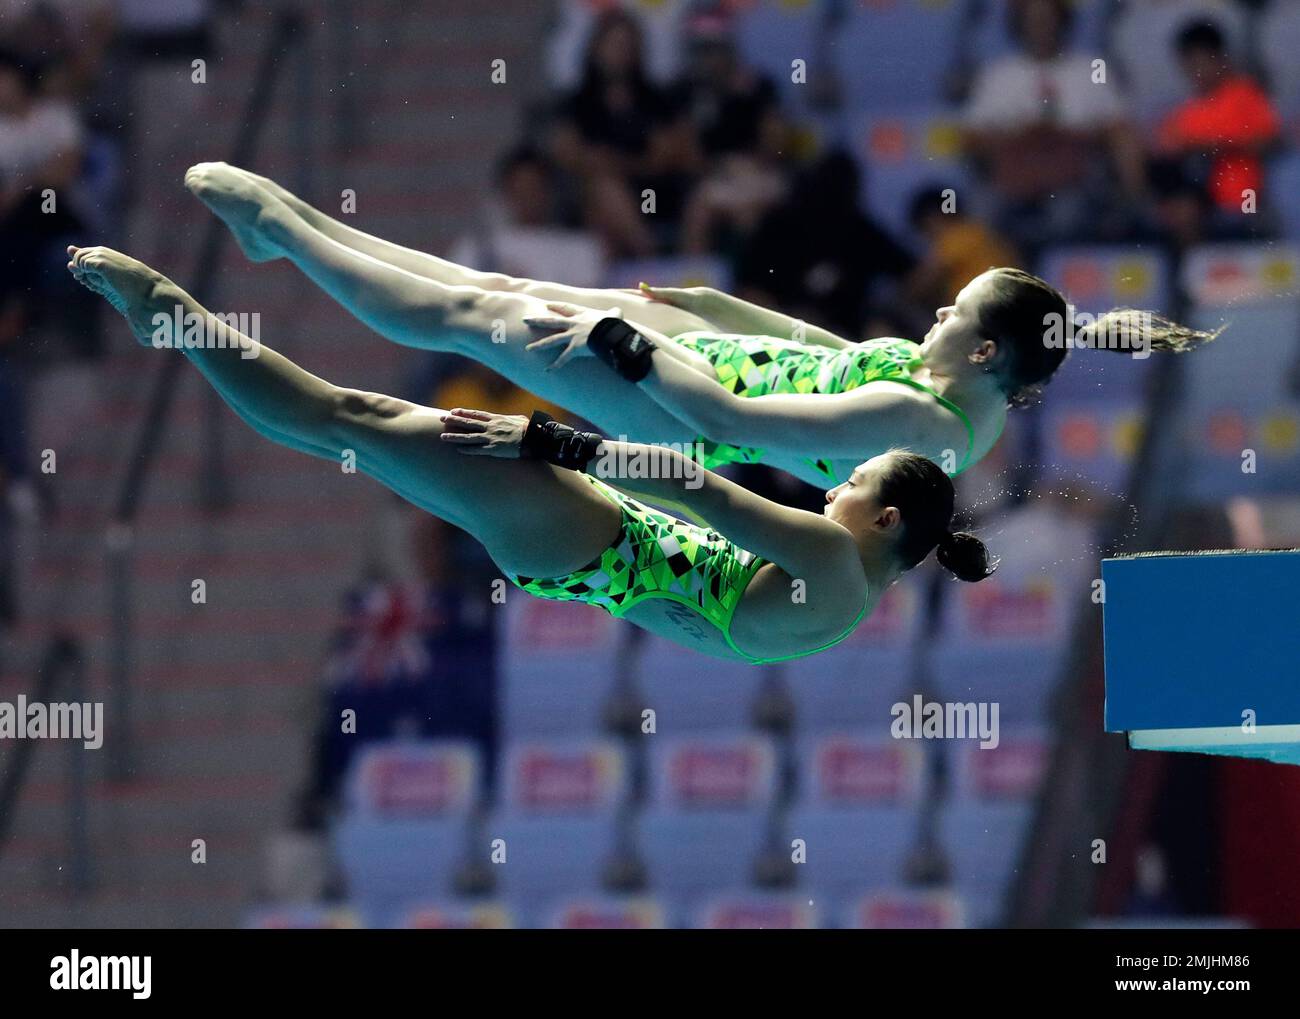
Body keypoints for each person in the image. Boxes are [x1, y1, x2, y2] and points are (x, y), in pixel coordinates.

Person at [67, 243, 997, 664]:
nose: (830, 486)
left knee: (348, 420)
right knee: (349, 421)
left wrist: (544, 436)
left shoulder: (837, 561)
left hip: (598, 540)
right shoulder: (843, 594)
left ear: (885, 516)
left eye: (850, 482)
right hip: (593, 546)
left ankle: (181, 324)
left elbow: (703, 491)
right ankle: (185, 327)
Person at [181, 162, 1220, 489]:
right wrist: (712, 307)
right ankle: (306, 228)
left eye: (955, 311)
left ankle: (290, 240)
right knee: (485, 285)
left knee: (468, 319)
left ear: (985, 350)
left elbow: (748, 426)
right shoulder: (942, 381)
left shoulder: (922, 429)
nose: (938, 307)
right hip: (694, 355)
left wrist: (640, 350)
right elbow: (812, 353)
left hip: (673, 403)